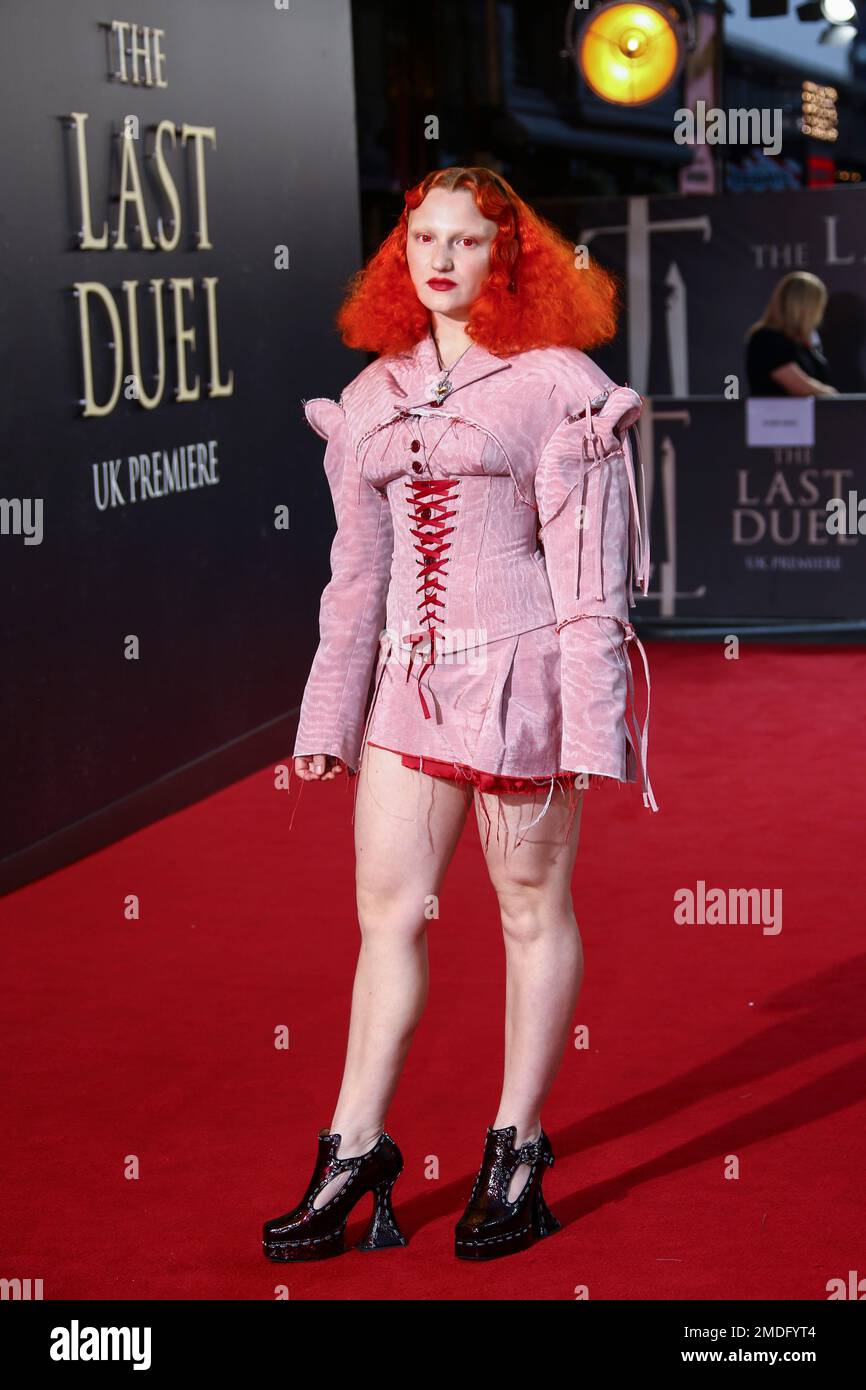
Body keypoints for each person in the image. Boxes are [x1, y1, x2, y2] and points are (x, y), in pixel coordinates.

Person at [263, 166, 658, 1264]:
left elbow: (590, 583)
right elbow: (355, 580)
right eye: (421, 239)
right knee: (385, 914)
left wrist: (587, 731)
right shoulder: (372, 396)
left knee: (528, 909)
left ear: (508, 257)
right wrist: (324, 720)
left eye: (467, 240)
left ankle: (516, 1147)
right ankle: (353, 1149)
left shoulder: (555, 386)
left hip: (520, 682)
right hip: (405, 690)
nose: (439, 258)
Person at [745, 271, 838, 397]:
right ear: (805, 308)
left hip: (809, 415)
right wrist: (835, 397)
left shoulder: (802, 343)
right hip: (777, 416)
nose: (821, 314)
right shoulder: (766, 339)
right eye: (819, 306)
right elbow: (801, 387)